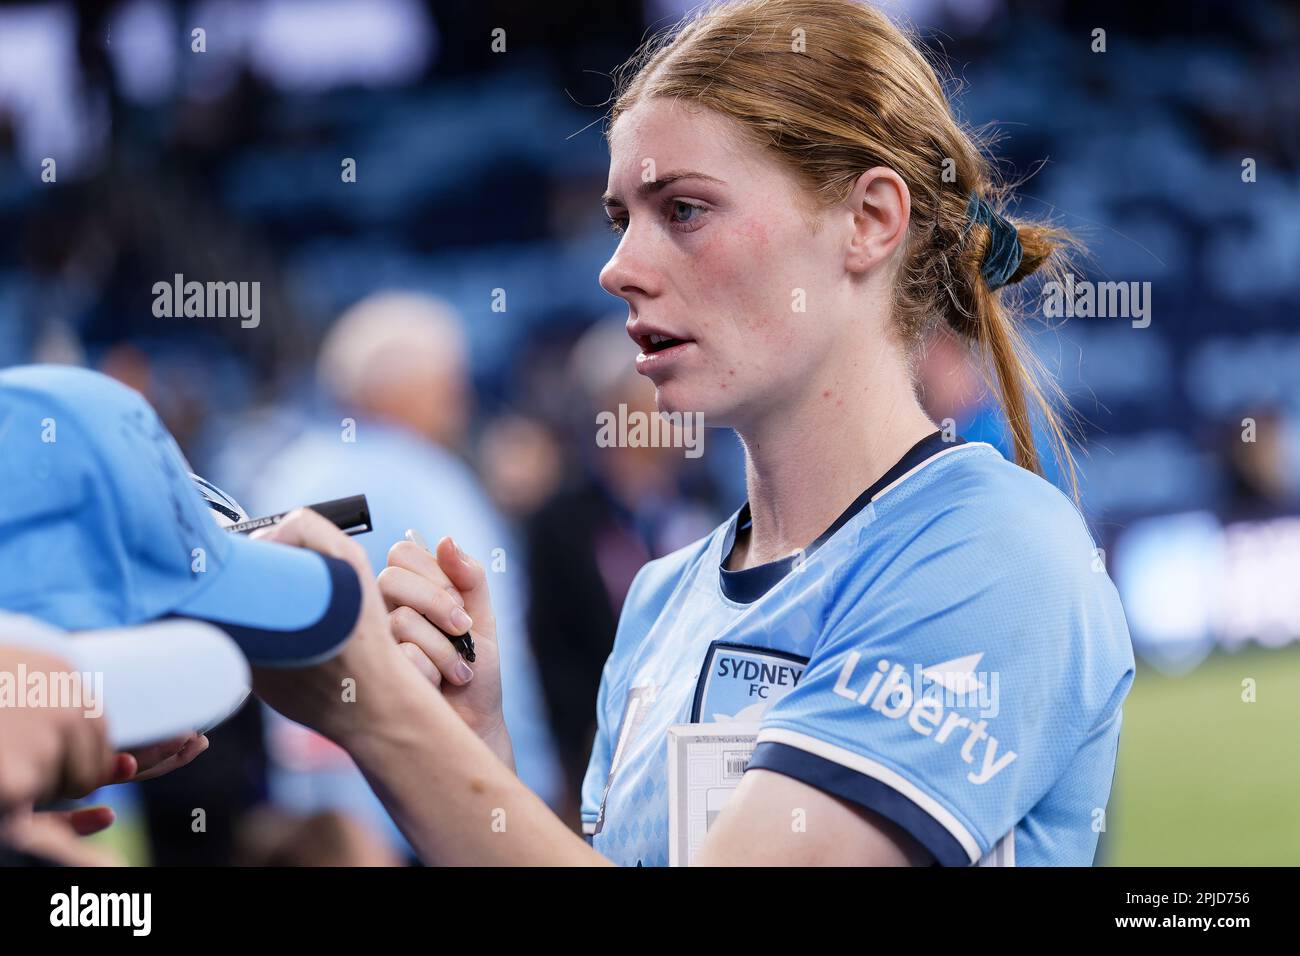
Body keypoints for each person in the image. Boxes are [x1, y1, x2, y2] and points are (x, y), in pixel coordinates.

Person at [248, 0, 1134, 867]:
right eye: (619, 218)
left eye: (684, 210)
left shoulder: (992, 550)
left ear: (869, 221)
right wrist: (468, 743)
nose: (618, 268)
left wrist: (380, 722)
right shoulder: (663, 600)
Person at [246, 291, 562, 840]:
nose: (459, 400)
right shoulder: (430, 481)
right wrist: (534, 786)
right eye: (449, 379)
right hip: (435, 809)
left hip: (316, 812)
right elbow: (492, 646)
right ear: (407, 385)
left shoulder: (287, 474)